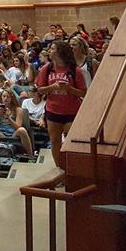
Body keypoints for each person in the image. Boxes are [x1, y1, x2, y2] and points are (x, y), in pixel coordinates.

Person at [35, 41, 87, 170]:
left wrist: (69, 89)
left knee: (71, 141)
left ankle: (72, 167)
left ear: (60, 52)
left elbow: (83, 92)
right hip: (53, 111)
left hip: (71, 111)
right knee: (55, 141)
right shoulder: (46, 69)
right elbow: (40, 89)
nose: (49, 50)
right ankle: (60, 168)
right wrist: (52, 87)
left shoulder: (75, 71)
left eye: (52, 48)